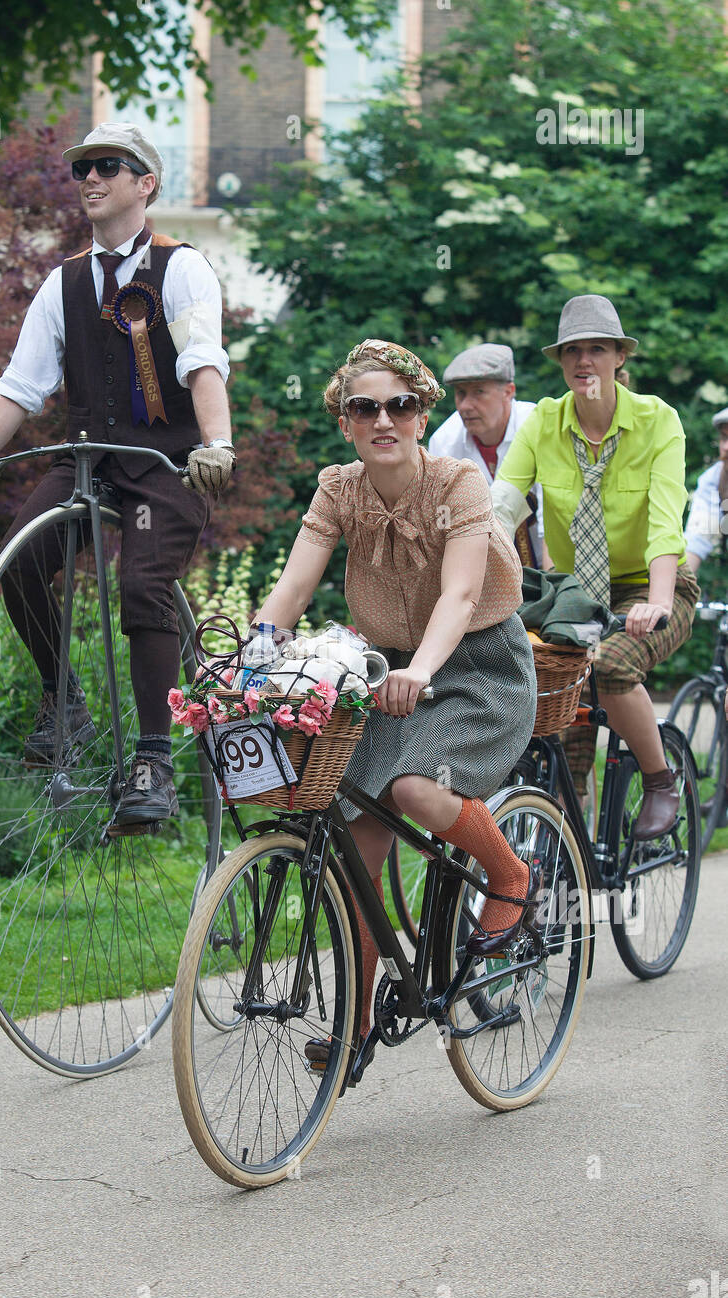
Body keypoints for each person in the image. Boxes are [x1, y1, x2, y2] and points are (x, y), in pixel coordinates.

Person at [0, 122, 235, 827]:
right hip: (90, 462)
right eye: (81, 170)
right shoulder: (63, 281)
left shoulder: (182, 268)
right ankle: (64, 698)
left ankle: (153, 762)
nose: (90, 179)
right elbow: (21, 382)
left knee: (141, 583)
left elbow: (203, 361)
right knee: (23, 559)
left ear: (145, 183)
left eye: (107, 166)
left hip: (166, 465)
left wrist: (218, 443)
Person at [249, 339, 538, 1063]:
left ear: (420, 413)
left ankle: (510, 876)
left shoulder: (458, 484)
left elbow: (462, 593)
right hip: (385, 673)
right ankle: (354, 1030)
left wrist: (423, 670)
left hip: (477, 667)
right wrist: (250, 654)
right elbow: (293, 586)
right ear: (345, 422)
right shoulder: (338, 489)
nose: (384, 419)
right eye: (364, 407)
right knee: (356, 837)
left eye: (399, 405)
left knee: (415, 787)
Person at [491, 294, 699, 838]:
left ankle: (659, 779)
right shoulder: (543, 422)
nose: (585, 361)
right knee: (552, 703)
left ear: (618, 358)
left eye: (598, 349)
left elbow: (663, 523)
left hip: (654, 583)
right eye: (573, 351)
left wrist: (655, 600)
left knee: (608, 666)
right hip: (579, 588)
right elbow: (501, 506)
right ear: (561, 361)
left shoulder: (659, 421)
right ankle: (562, 837)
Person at [427, 343, 542, 566]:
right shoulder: (444, 443)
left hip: (548, 564)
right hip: (479, 570)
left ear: (509, 392)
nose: (466, 406)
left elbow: (553, 514)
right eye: (461, 393)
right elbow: (442, 526)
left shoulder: (539, 426)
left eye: (479, 392)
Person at [683, 406, 728, 574]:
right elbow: (698, 536)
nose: (726, 447)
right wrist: (679, 589)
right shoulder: (714, 479)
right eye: (724, 438)